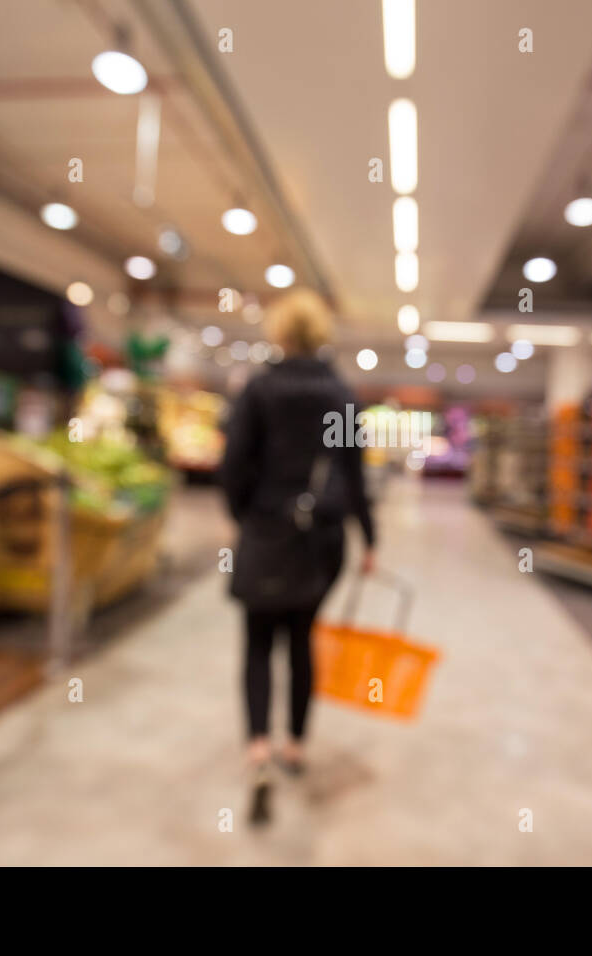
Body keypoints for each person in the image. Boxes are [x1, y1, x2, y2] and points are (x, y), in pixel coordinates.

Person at [218, 288, 375, 824]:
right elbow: (355, 474)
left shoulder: (259, 391)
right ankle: (297, 745)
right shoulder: (341, 395)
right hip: (321, 537)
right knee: (303, 639)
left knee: (258, 641)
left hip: (267, 529)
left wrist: (245, 515)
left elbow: (233, 465)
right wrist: (370, 538)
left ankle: (258, 747)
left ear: (280, 333)